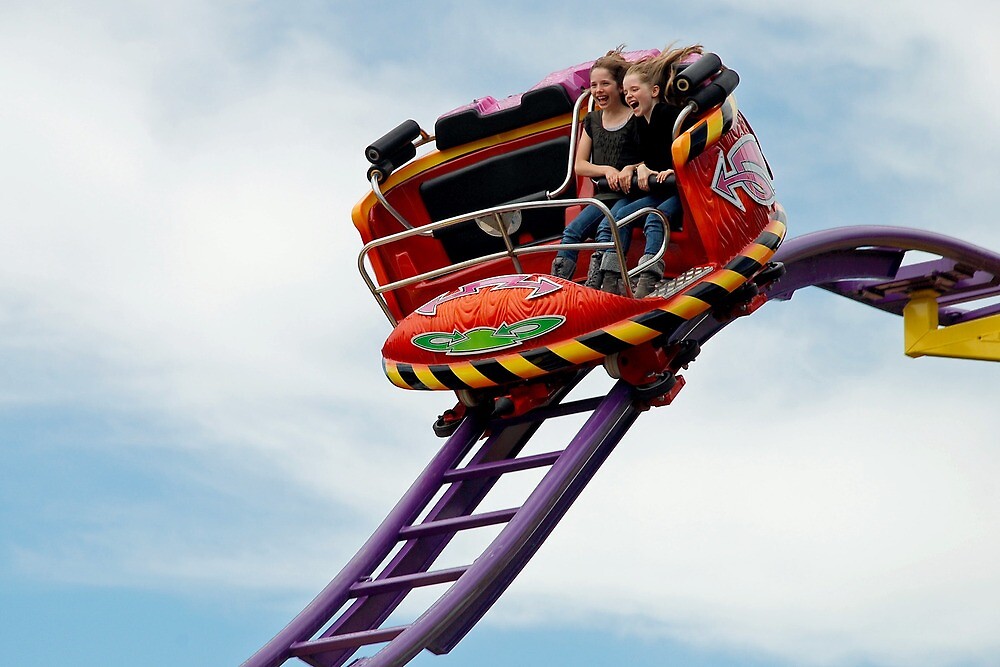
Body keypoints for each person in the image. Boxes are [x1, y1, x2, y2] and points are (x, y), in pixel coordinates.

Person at [591, 43, 703, 297]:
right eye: (626, 91)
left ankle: (650, 274)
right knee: (621, 217)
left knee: (656, 216)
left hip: (681, 192)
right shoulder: (640, 121)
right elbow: (647, 159)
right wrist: (639, 168)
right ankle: (612, 276)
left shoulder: (667, 115)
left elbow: (691, 144)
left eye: (634, 90)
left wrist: (673, 169)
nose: (629, 96)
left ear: (653, 91)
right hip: (659, 189)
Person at [550, 48, 641, 285]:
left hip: (629, 194)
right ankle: (558, 285)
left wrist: (629, 169)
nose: (598, 90)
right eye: (593, 85)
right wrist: (606, 170)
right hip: (604, 195)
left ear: (620, 87)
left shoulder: (636, 119)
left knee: (606, 229)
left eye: (605, 84)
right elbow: (580, 165)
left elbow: (651, 157)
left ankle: (603, 283)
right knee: (572, 231)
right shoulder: (592, 121)